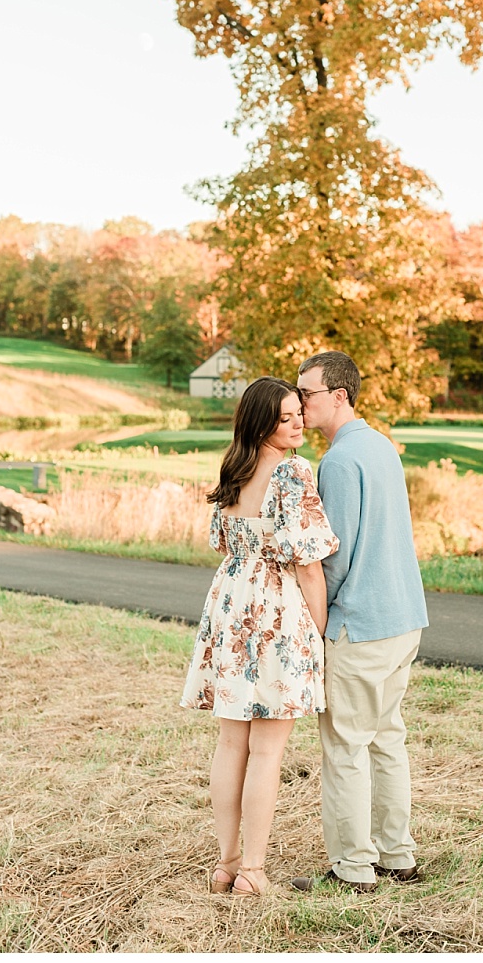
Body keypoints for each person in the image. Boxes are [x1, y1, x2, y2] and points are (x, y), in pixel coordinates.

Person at [181, 376, 338, 897]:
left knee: (230, 743)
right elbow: (309, 565)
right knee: (266, 751)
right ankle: (252, 869)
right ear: (263, 422)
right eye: (287, 417)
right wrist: (316, 634)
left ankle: (224, 865)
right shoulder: (292, 472)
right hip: (275, 606)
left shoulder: (235, 465)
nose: (299, 424)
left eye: (300, 413)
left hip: (230, 599)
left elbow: (219, 539)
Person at [290, 350, 430, 894]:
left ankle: (353, 868)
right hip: (403, 621)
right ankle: (397, 857)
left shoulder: (341, 462)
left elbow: (334, 557)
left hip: (362, 627)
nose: (300, 404)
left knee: (345, 747)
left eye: (308, 394)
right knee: (387, 739)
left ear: (339, 396)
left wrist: (318, 628)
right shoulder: (381, 447)